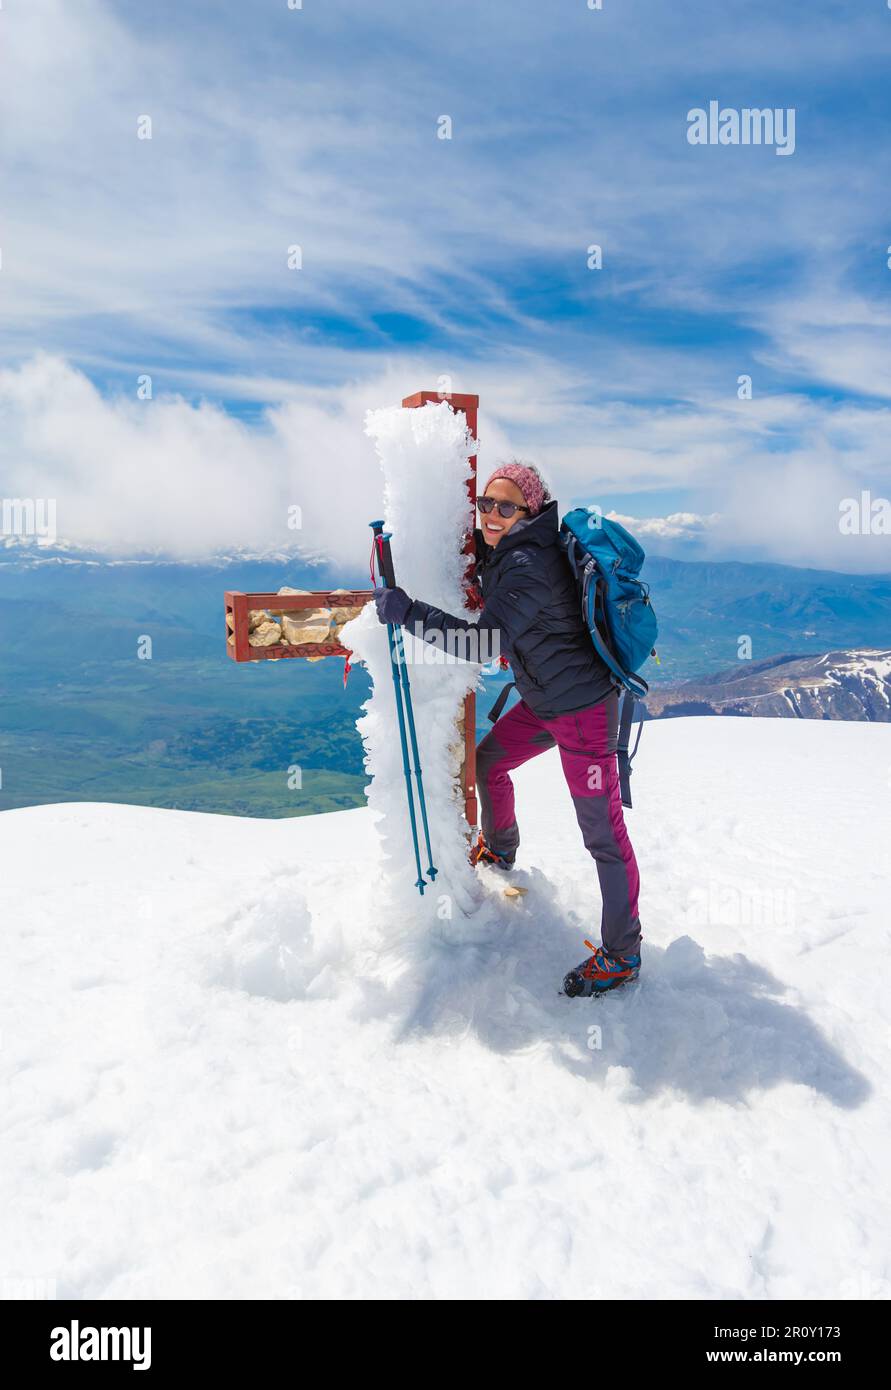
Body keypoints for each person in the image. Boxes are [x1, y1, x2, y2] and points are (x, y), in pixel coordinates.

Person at [373, 461, 642, 997]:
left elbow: (482, 643)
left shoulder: (526, 564)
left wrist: (407, 612)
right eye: (486, 505)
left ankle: (622, 954)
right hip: (547, 700)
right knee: (490, 763)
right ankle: (501, 849)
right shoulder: (515, 550)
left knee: (603, 835)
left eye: (505, 506)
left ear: (532, 511)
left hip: (583, 711)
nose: (492, 515)